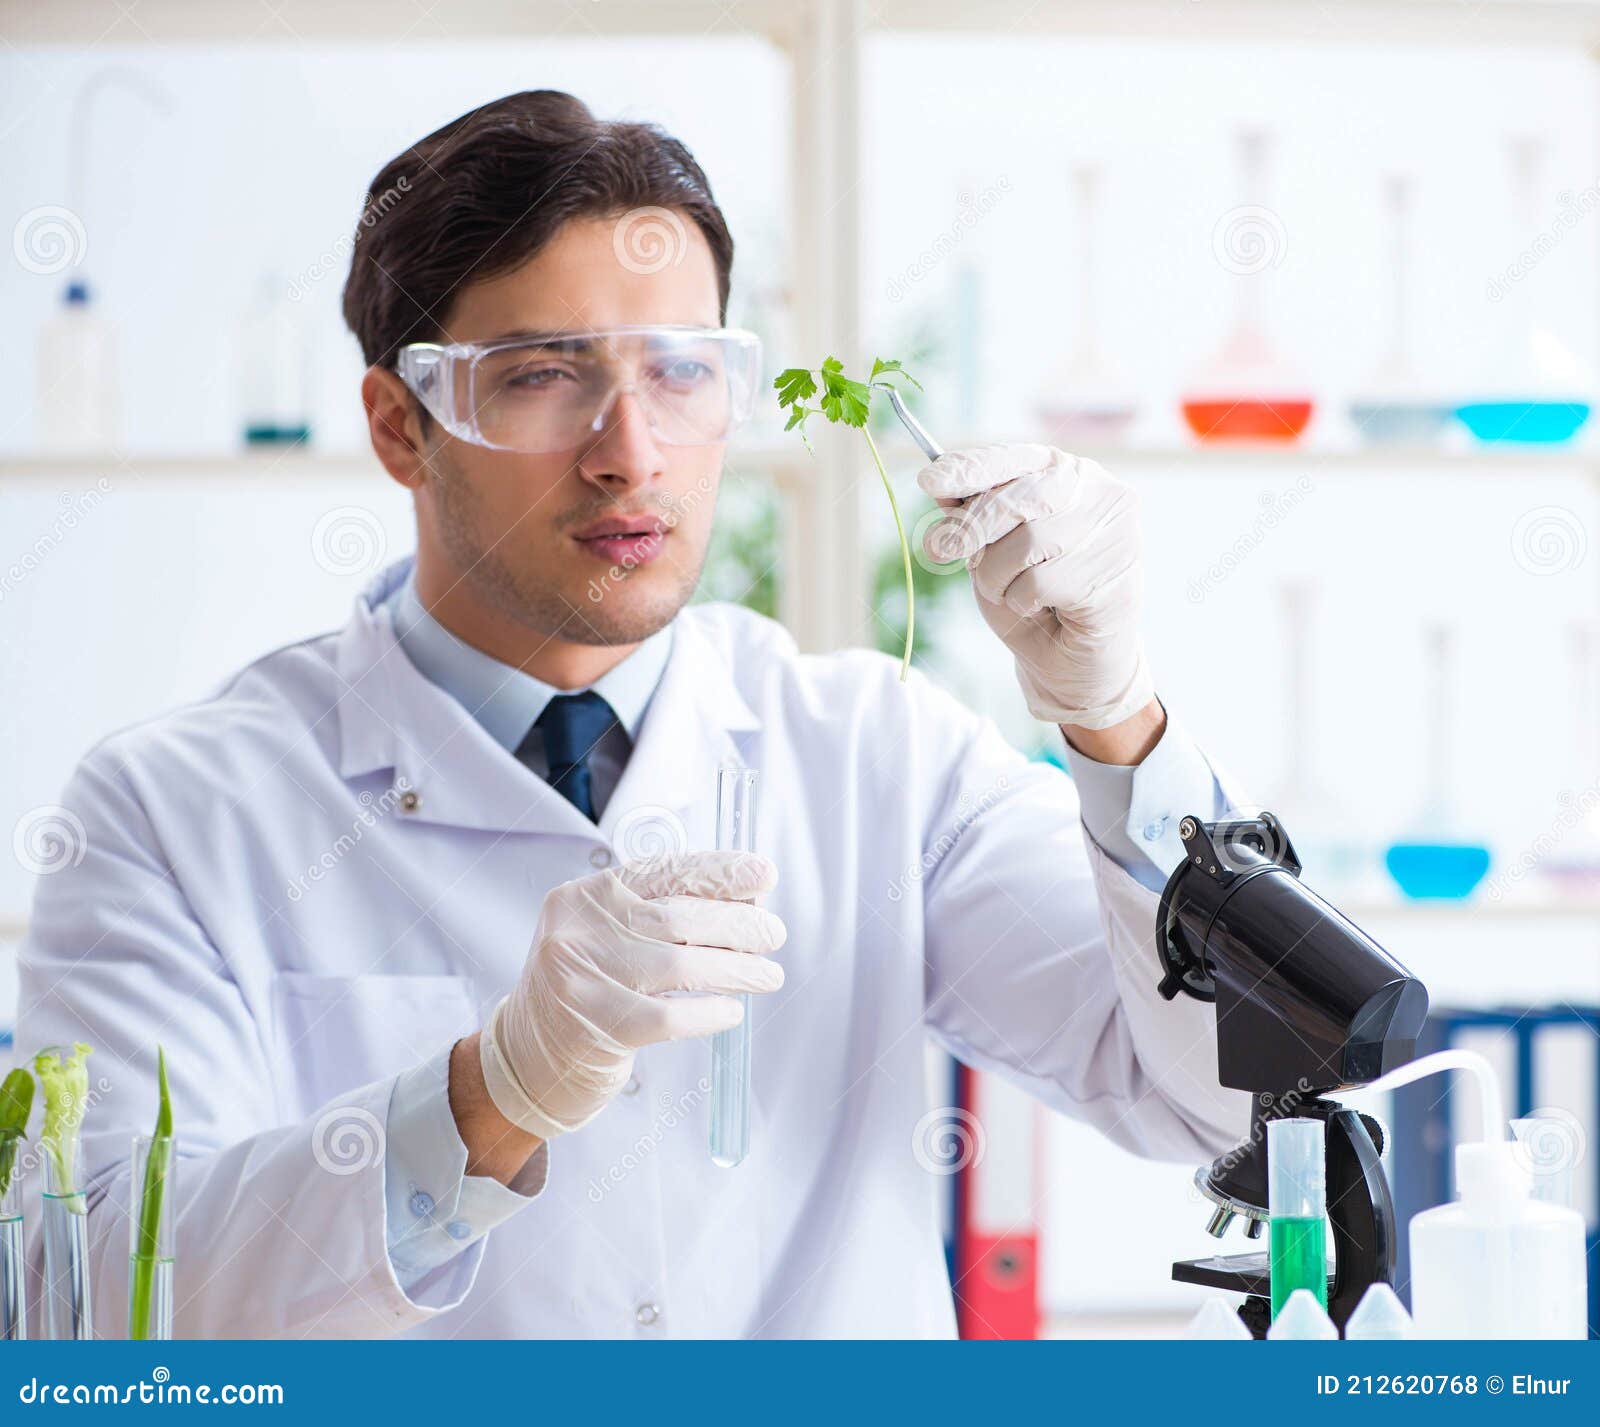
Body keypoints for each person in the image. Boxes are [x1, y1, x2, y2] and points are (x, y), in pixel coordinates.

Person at [16, 89, 1251, 1339]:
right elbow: (106, 1302)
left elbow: (1218, 1096)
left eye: (680, 370)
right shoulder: (169, 813)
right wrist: (484, 1098)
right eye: (545, 374)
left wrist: (1119, 724)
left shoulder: (875, 750)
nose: (633, 450)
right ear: (399, 427)